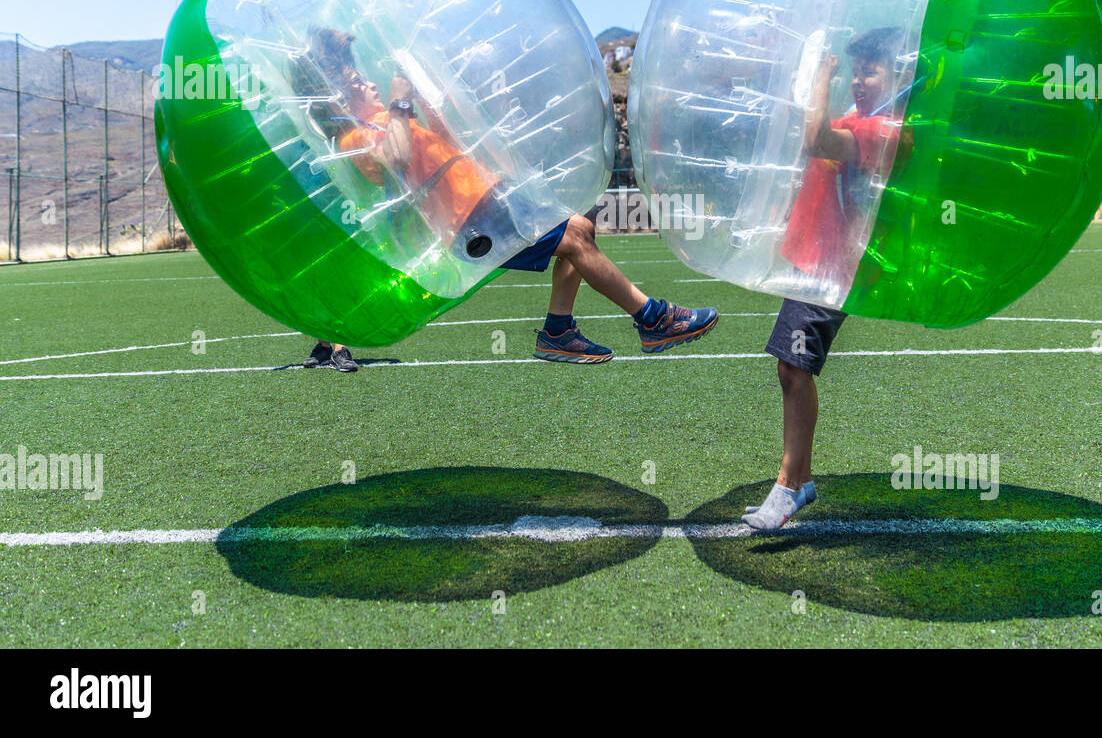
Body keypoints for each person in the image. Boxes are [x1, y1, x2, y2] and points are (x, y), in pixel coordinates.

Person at [300, 28, 718, 367]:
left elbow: (445, 146)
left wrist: (427, 94)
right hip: (469, 222)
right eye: (357, 82)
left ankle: (558, 332)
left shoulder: (389, 120)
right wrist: (401, 99)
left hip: (483, 198)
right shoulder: (357, 137)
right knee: (573, 236)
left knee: (581, 225)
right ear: (340, 97)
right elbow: (397, 156)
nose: (369, 82)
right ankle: (652, 318)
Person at [743, 28, 911, 531]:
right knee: (789, 367)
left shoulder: (887, 132)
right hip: (814, 259)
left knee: (794, 367)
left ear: (896, 76)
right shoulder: (856, 121)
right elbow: (806, 144)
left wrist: (821, 72)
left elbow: (817, 139)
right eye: (855, 69)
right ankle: (803, 480)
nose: (859, 79)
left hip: (838, 267)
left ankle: (788, 488)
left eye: (871, 69)